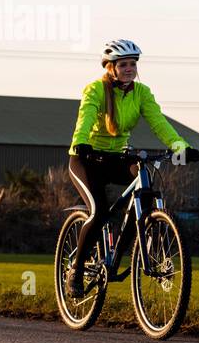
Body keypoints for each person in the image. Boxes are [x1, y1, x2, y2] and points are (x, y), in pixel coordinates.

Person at [65, 39, 190, 296]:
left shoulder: (141, 93)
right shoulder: (95, 90)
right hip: (86, 159)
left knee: (145, 188)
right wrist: (81, 142)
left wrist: (179, 145)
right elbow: (85, 117)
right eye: (123, 64)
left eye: (133, 63)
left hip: (117, 157)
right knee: (98, 212)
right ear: (111, 67)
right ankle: (76, 272)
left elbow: (158, 122)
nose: (129, 68)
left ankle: (123, 250)